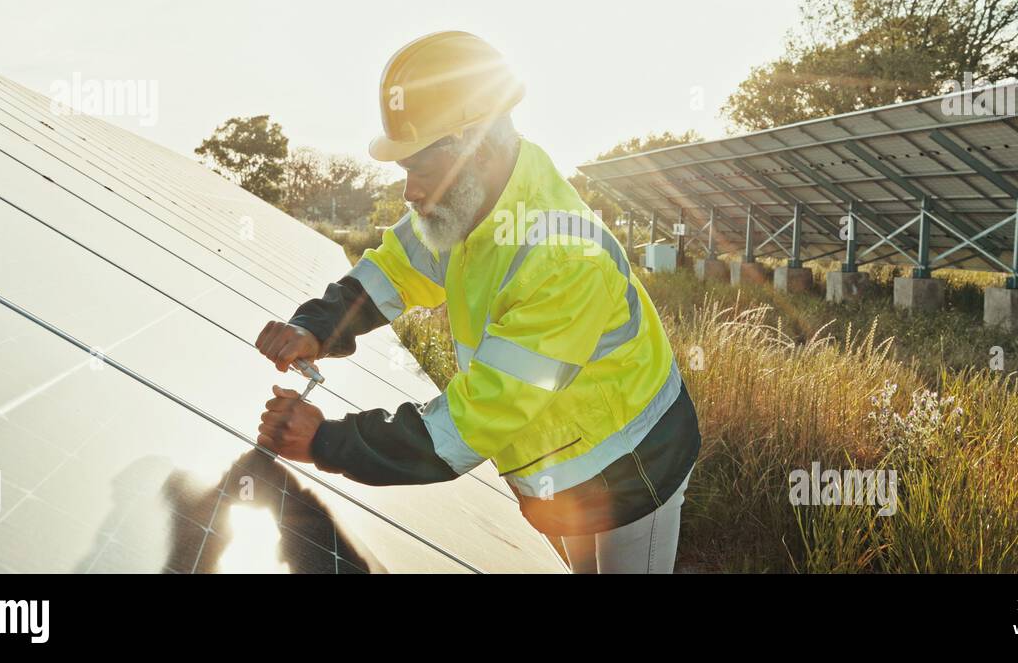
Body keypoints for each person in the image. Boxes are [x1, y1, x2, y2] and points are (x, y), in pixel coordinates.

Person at [254, 31, 700, 573]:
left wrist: (327, 441)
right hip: (568, 469)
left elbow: (476, 418)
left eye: (419, 169)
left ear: (479, 151)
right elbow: (392, 271)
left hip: (634, 464)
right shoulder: (467, 203)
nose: (409, 192)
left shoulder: (563, 258)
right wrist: (315, 327)